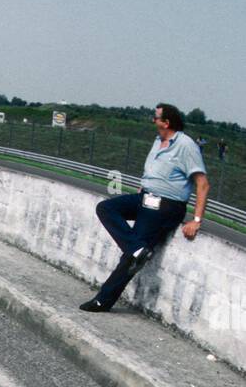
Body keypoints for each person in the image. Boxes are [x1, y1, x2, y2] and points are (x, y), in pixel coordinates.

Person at [83, 102, 210, 312]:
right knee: (106, 208)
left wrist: (196, 221)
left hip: (167, 205)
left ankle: (103, 300)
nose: (153, 120)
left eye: (156, 117)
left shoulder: (186, 145)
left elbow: (203, 184)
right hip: (146, 198)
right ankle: (137, 249)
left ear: (166, 122)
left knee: (130, 257)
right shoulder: (157, 141)